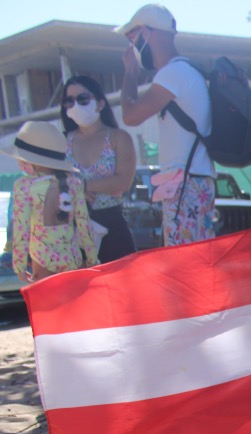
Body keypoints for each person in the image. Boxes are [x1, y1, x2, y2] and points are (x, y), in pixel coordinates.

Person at [116, 4, 215, 246]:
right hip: (193, 181)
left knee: (185, 263)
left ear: (149, 33)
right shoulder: (188, 71)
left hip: (185, 183)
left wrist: (130, 73)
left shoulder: (173, 74)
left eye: (133, 36)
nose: (132, 44)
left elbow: (131, 115)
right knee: (194, 258)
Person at [4, 121, 99, 283]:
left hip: (42, 261)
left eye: (22, 159)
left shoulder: (24, 186)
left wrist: (19, 266)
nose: (19, 163)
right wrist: (91, 259)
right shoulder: (74, 183)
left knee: (48, 306)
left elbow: (21, 229)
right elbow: (85, 225)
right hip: (72, 258)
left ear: (34, 160)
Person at [61, 75, 138, 263]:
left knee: (121, 290)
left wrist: (82, 186)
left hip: (112, 224)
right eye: (69, 101)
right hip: (72, 228)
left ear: (100, 104)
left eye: (83, 99)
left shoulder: (119, 138)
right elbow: (53, 182)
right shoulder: (61, 141)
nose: (75, 105)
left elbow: (123, 182)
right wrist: (73, 189)